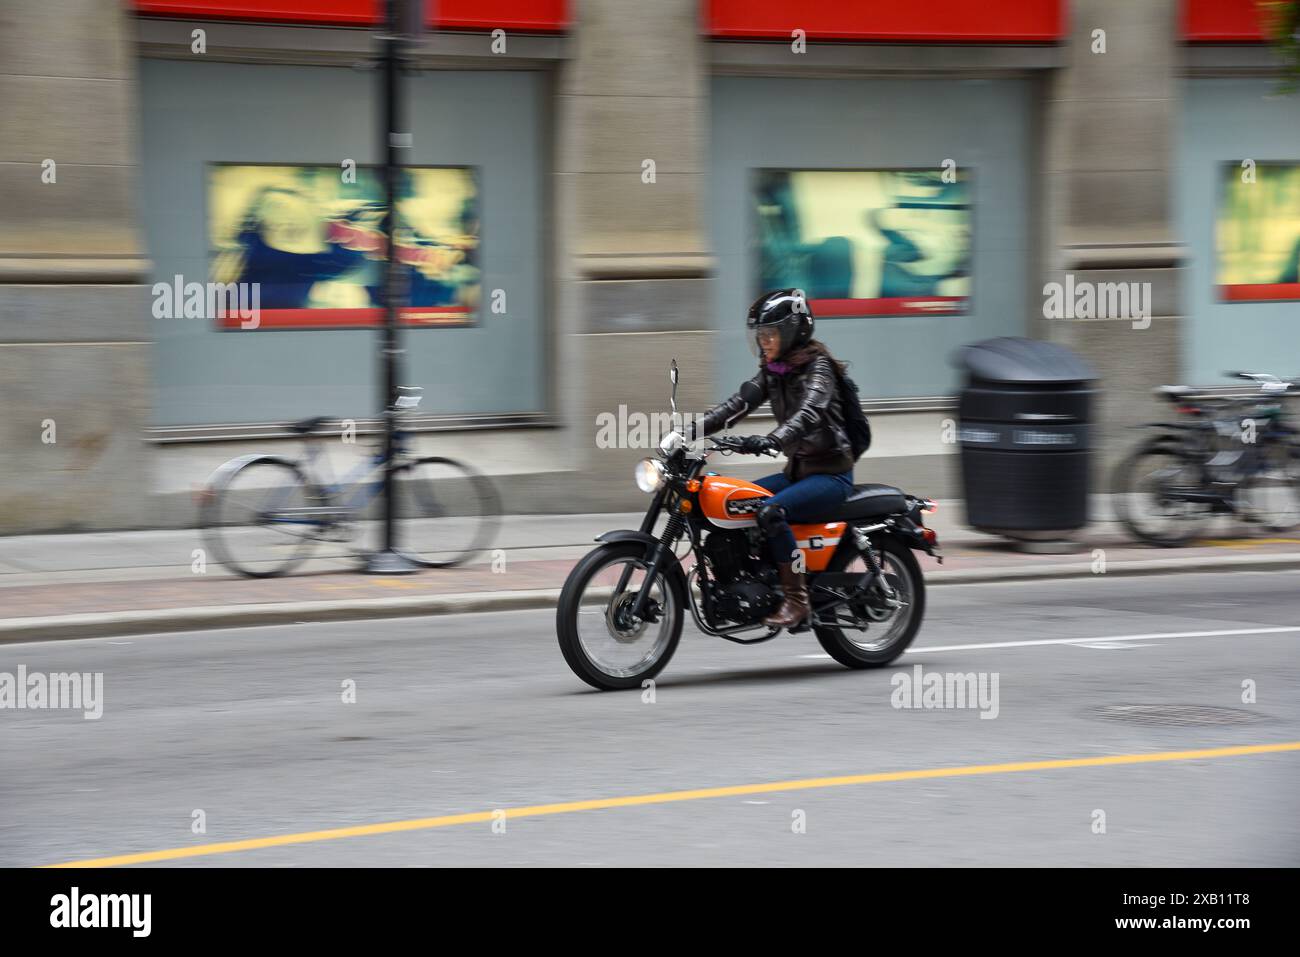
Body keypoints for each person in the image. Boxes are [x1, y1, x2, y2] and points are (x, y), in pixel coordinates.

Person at [696, 289, 856, 628]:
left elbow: (809, 413)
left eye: (770, 334)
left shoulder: (819, 368)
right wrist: (688, 430)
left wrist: (774, 439)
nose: (764, 342)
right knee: (742, 503)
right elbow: (737, 404)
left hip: (831, 476)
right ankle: (759, 582)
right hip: (798, 472)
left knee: (772, 512)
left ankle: (797, 600)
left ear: (793, 332)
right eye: (760, 336)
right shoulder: (775, 370)